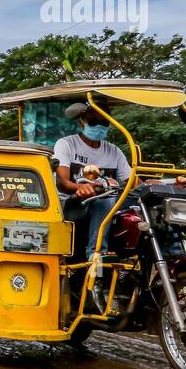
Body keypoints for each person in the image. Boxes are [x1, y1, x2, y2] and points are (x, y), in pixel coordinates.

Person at [53, 103, 132, 258]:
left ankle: (167, 257)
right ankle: (96, 253)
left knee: (149, 203)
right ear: (82, 121)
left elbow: (134, 182)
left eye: (104, 123)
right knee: (106, 199)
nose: (99, 126)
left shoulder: (114, 151)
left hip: (104, 204)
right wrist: (79, 188)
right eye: (93, 122)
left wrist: (154, 185)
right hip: (72, 205)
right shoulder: (67, 144)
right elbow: (62, 182)